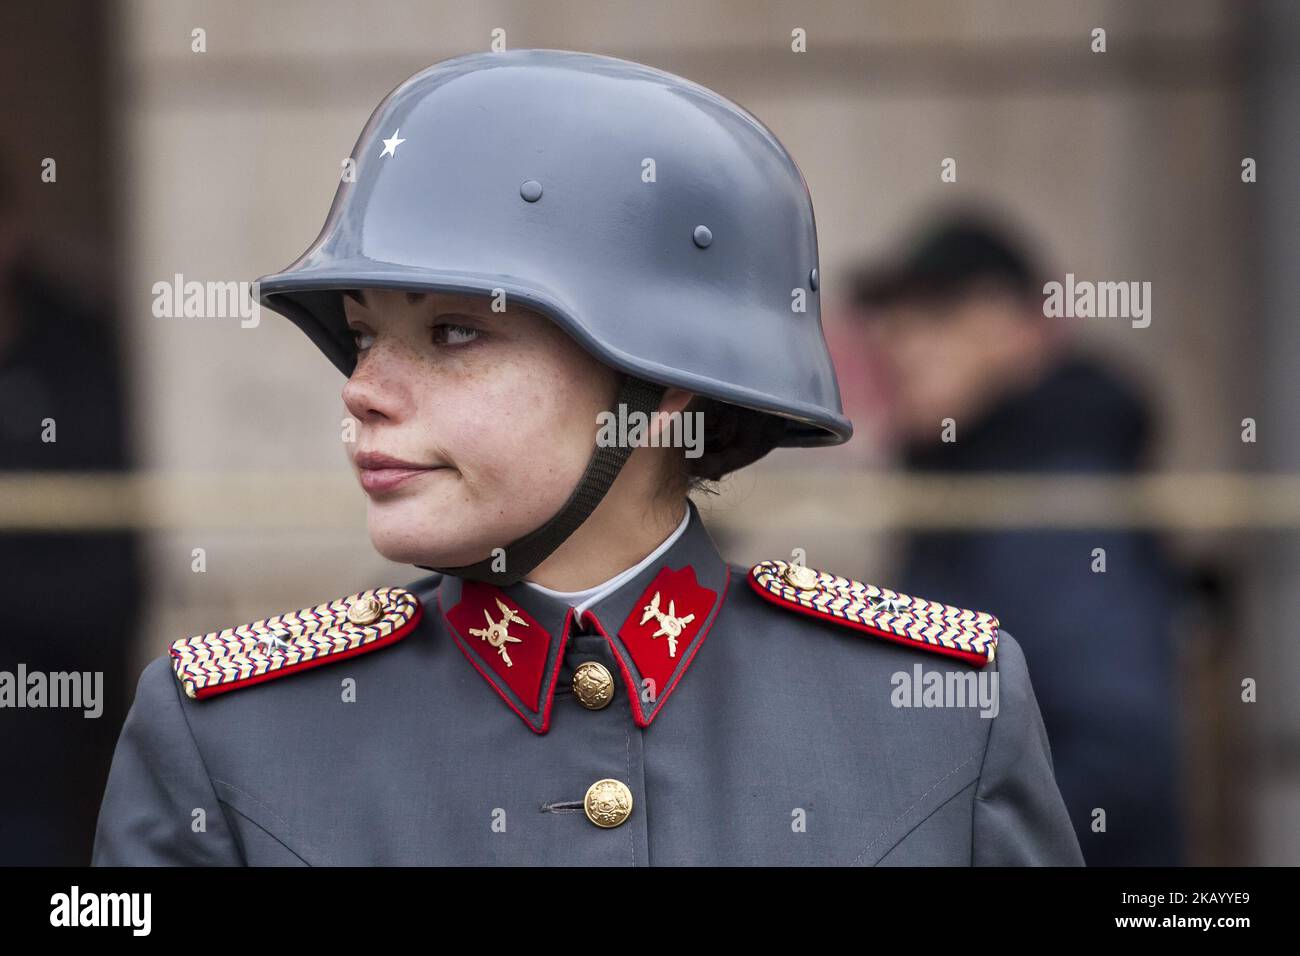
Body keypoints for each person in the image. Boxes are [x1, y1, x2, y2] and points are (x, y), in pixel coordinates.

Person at [91, 50, 1082, 866]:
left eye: (451, 333)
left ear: (665, 382)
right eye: (361, 335)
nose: (362, 389)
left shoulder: (943, 712)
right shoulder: (227, 736)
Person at [850, 212, 1185, 865]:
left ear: (1019, 328)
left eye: (938, 313)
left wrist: (938, 845)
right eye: (896, 316)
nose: (901, 341)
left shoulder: (1054, 497)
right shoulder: (965, 481)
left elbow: (1119, 759)